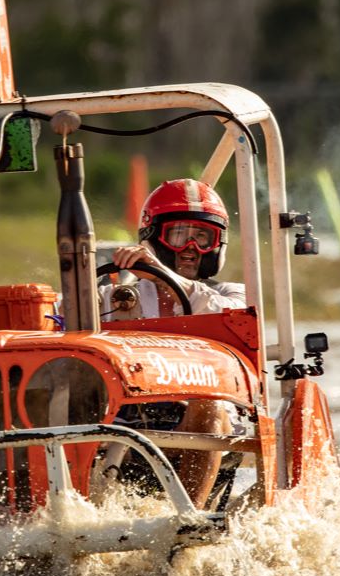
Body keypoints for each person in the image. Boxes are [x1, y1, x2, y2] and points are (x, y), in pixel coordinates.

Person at [102, 179, 247, 509]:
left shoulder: (232, 293)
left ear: (218, 244)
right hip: (127, 422)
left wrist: (159, 273)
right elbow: (64, 319)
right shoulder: (116, 297)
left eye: (203, 237)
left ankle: (190, 521)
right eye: (179, 235)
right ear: (154, 237)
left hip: (209, 426)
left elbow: (228, 315)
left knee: (208, 400)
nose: (191, 248)